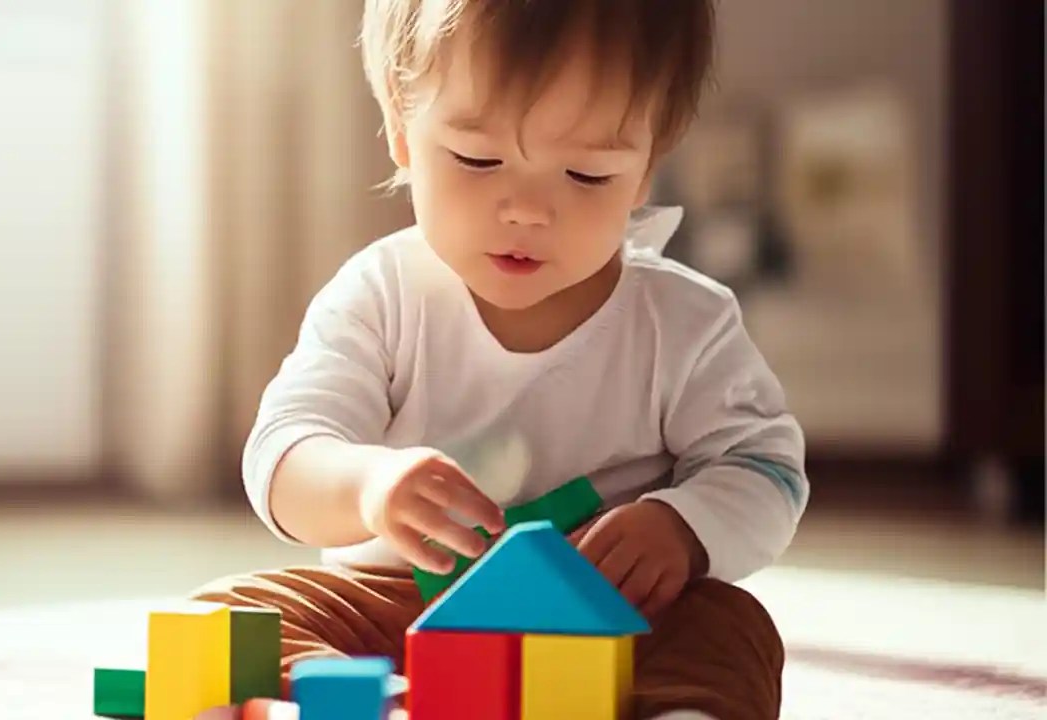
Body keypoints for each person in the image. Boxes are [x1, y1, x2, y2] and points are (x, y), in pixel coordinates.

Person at [193, 1, 809, 718]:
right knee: (225, 617)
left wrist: (682, 526)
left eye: (586, 174)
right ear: (401, 126)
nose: (527, 210)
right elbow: (284, 455)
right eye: (478, 160)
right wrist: (368, 486)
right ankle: (367, 704)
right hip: (400, 605)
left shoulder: (685, 322)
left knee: (728, 624)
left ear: (646, 167)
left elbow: (765, 470)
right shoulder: (382, 294)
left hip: (602, 617)